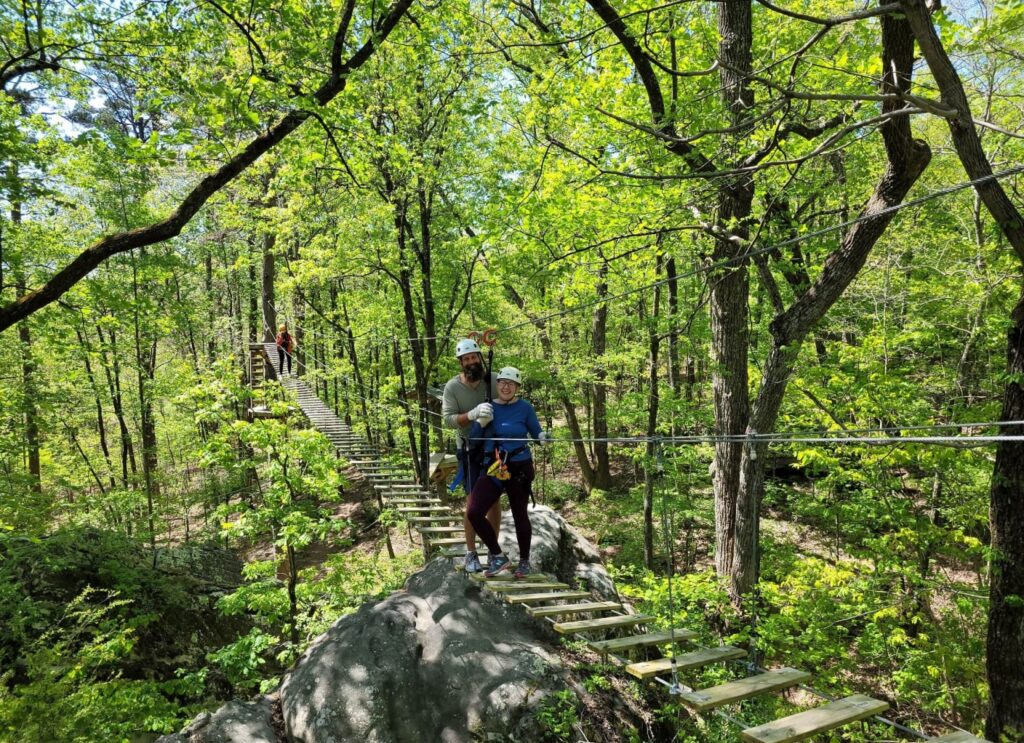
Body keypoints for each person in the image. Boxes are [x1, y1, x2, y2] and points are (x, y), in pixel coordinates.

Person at [465, 366, 550, 579]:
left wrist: (543, 437)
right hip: (494, 467)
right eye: (503, 382)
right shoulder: (487, 407)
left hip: (519, 467)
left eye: (511, 384)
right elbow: (473, 439)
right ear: (497, 384)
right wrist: (480, 421)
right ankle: (497, 555)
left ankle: (524, 561)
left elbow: (536, 432)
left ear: (517, 387)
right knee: (474, 511)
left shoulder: (525, 408)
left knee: (520, 514)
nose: (506, 387)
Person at [442, 339, 500, 573]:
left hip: (493, 447)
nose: (471, 362)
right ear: (461, 363)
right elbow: (448, 419)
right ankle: (470, 553)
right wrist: (472, 415)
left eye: (474, 357)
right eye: (466, 359)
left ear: (480, 358)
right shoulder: (452, 387)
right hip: (468, 449)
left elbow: (511, 399)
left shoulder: (494, 380)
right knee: (473, 501)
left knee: (494, 501)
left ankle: (494, 552)